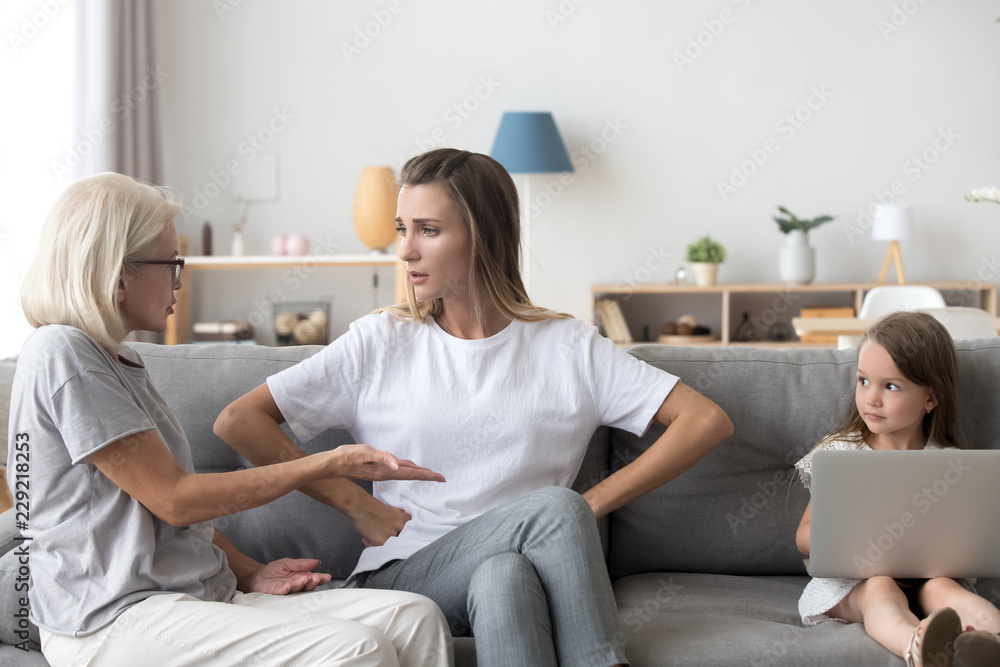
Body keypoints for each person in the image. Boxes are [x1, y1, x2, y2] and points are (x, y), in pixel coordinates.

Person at [215, 148, 734, 667]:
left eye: (428, 230)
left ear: (482, 235)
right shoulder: (381, 341)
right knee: (553, 510)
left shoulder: (569, 347)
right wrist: (354, 503)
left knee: (504, 572)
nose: (405, 251)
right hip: (404, 577)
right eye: (402, 229)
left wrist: (583, 510)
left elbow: (704, 420)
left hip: (518, 570)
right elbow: (239, 421)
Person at [8, 172, 454, 667]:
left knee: (415, 617)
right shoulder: (61, 352)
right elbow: (174, 500)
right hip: (109, 618)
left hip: (191, 601)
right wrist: (325, 463)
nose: (179, 278)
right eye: (170, 263)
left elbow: (159, 516)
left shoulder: (122, 361)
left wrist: (249, 572)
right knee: (359, 648)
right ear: (119, 272)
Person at [793, 311, 1000, 667]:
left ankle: (987, 643)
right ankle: (918, 649)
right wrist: (855, 535)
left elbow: (970, 540)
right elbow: (803, 537)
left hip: (929, 578)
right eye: (863, 381)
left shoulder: (950, 463)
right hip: (854, 583)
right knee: (880, 589)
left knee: (944, 590)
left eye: (890, 386)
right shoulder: (840, 453)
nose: (871, 398)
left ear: (931, 399)